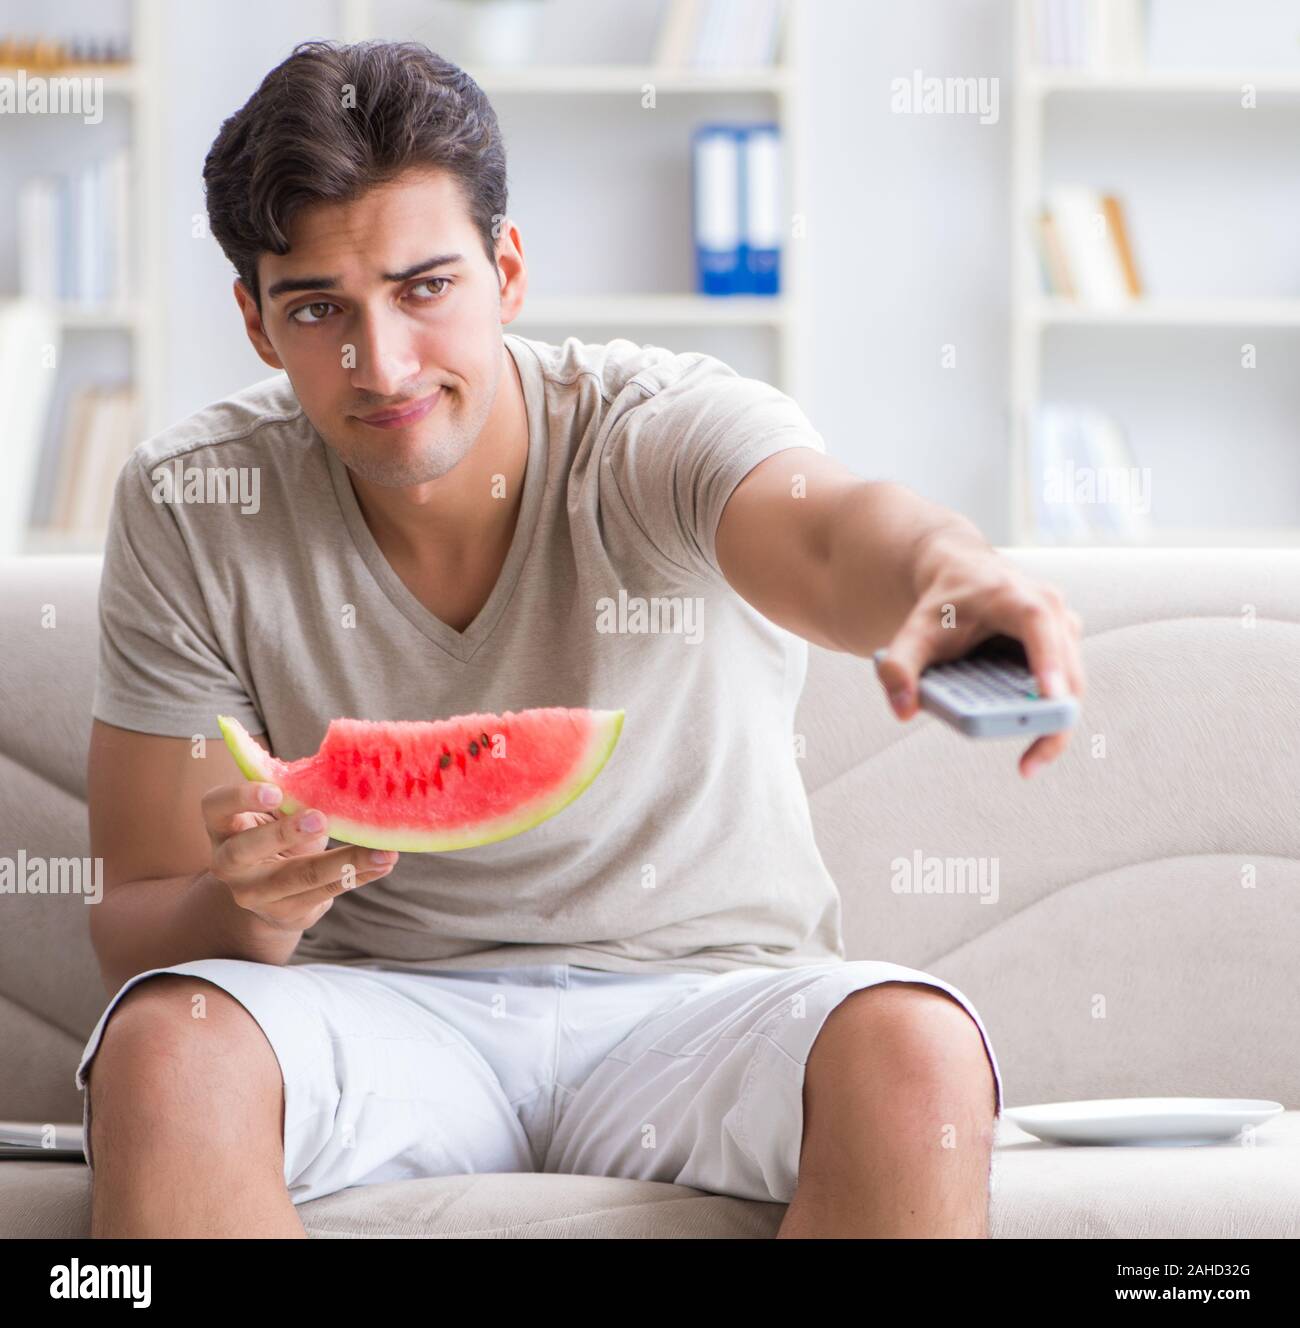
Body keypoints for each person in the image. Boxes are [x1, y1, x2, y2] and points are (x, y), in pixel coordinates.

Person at [79, 40, 1085, 1239]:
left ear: (507, 268)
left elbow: (826, 537)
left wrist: (946, 571)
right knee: (166, 1047)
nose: (381, 362)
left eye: (424, 287)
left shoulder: (653, 431)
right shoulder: (195, 499)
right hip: (379, 1010)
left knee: (916, 1046)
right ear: (253, 320)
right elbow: (137, 911)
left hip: (708, 1006)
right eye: (317, 309)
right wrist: (248, 913)